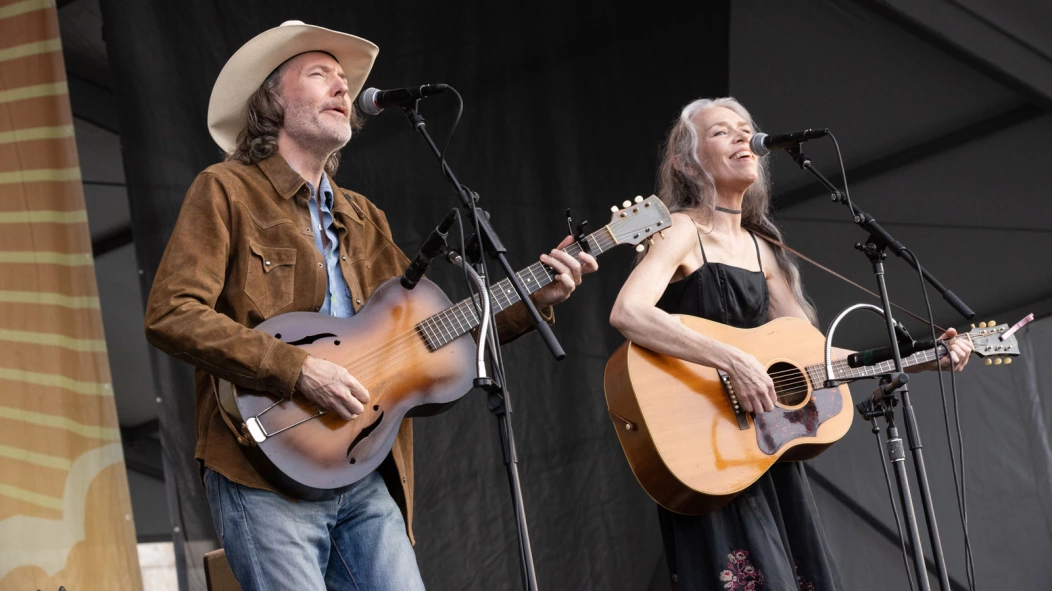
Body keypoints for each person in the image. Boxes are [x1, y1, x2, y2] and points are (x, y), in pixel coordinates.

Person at [143, 21, 597, 591]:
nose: (342, 88)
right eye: (319, 74)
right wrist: (299, 369)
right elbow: (172, 312)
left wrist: (533, 299)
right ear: (271, 102)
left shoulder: (363, 216)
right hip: (261, 469)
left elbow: (427, 338)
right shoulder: (226, 190)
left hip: (364, 470)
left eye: (344, 79)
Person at [608, 97, 972, 591]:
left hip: (761, 447)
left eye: (746, 129)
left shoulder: (765, 248)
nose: (742, 137)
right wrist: (733, 360)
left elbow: (815, 361)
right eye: (721, 132)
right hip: (705, 443)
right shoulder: (678, 228)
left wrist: (921, 358)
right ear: (685, 163)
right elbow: (629, 312)